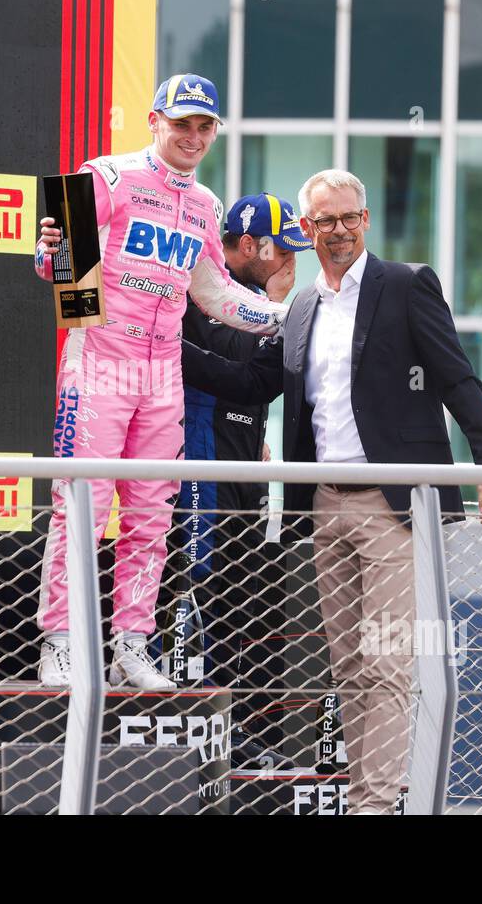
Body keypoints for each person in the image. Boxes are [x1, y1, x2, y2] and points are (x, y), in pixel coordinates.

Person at [183, 168, 482, 814]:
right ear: (306, 230)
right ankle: (369, 797)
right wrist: (159, 342)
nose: (338, 231)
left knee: (388, 665)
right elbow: (254, 385)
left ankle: (372, 806)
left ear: (365, 221)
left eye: (349, 218)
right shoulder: (302, 306)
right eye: (324, 221)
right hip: (323, 506)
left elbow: (457, 378)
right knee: (351, 671)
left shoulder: (405, 284)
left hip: (392, 507)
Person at [33, 74, 288, 689]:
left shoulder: (204, 206)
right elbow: (58, 266)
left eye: (205, 127)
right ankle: (62, 643)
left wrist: (291, 314)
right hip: (98, 366)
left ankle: (131, 644)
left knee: (151, 514)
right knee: (82, 507)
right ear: (154, 121)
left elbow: (215, 295)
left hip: (162, 376)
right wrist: (50, 254)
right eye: (182, 124)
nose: (193, 137)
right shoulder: (106, 177)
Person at [176, 193, 302, 763]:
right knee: (199, 597)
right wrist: (275, 309)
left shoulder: (255, 298)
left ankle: (236, 740)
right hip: (199, 466)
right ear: (250, 246)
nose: (293, 267)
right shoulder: (207, 289)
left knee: (240, 603)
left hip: (244, 469)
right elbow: (240, 369)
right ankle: (195, 735)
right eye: (286, 253)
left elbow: (255, 384)